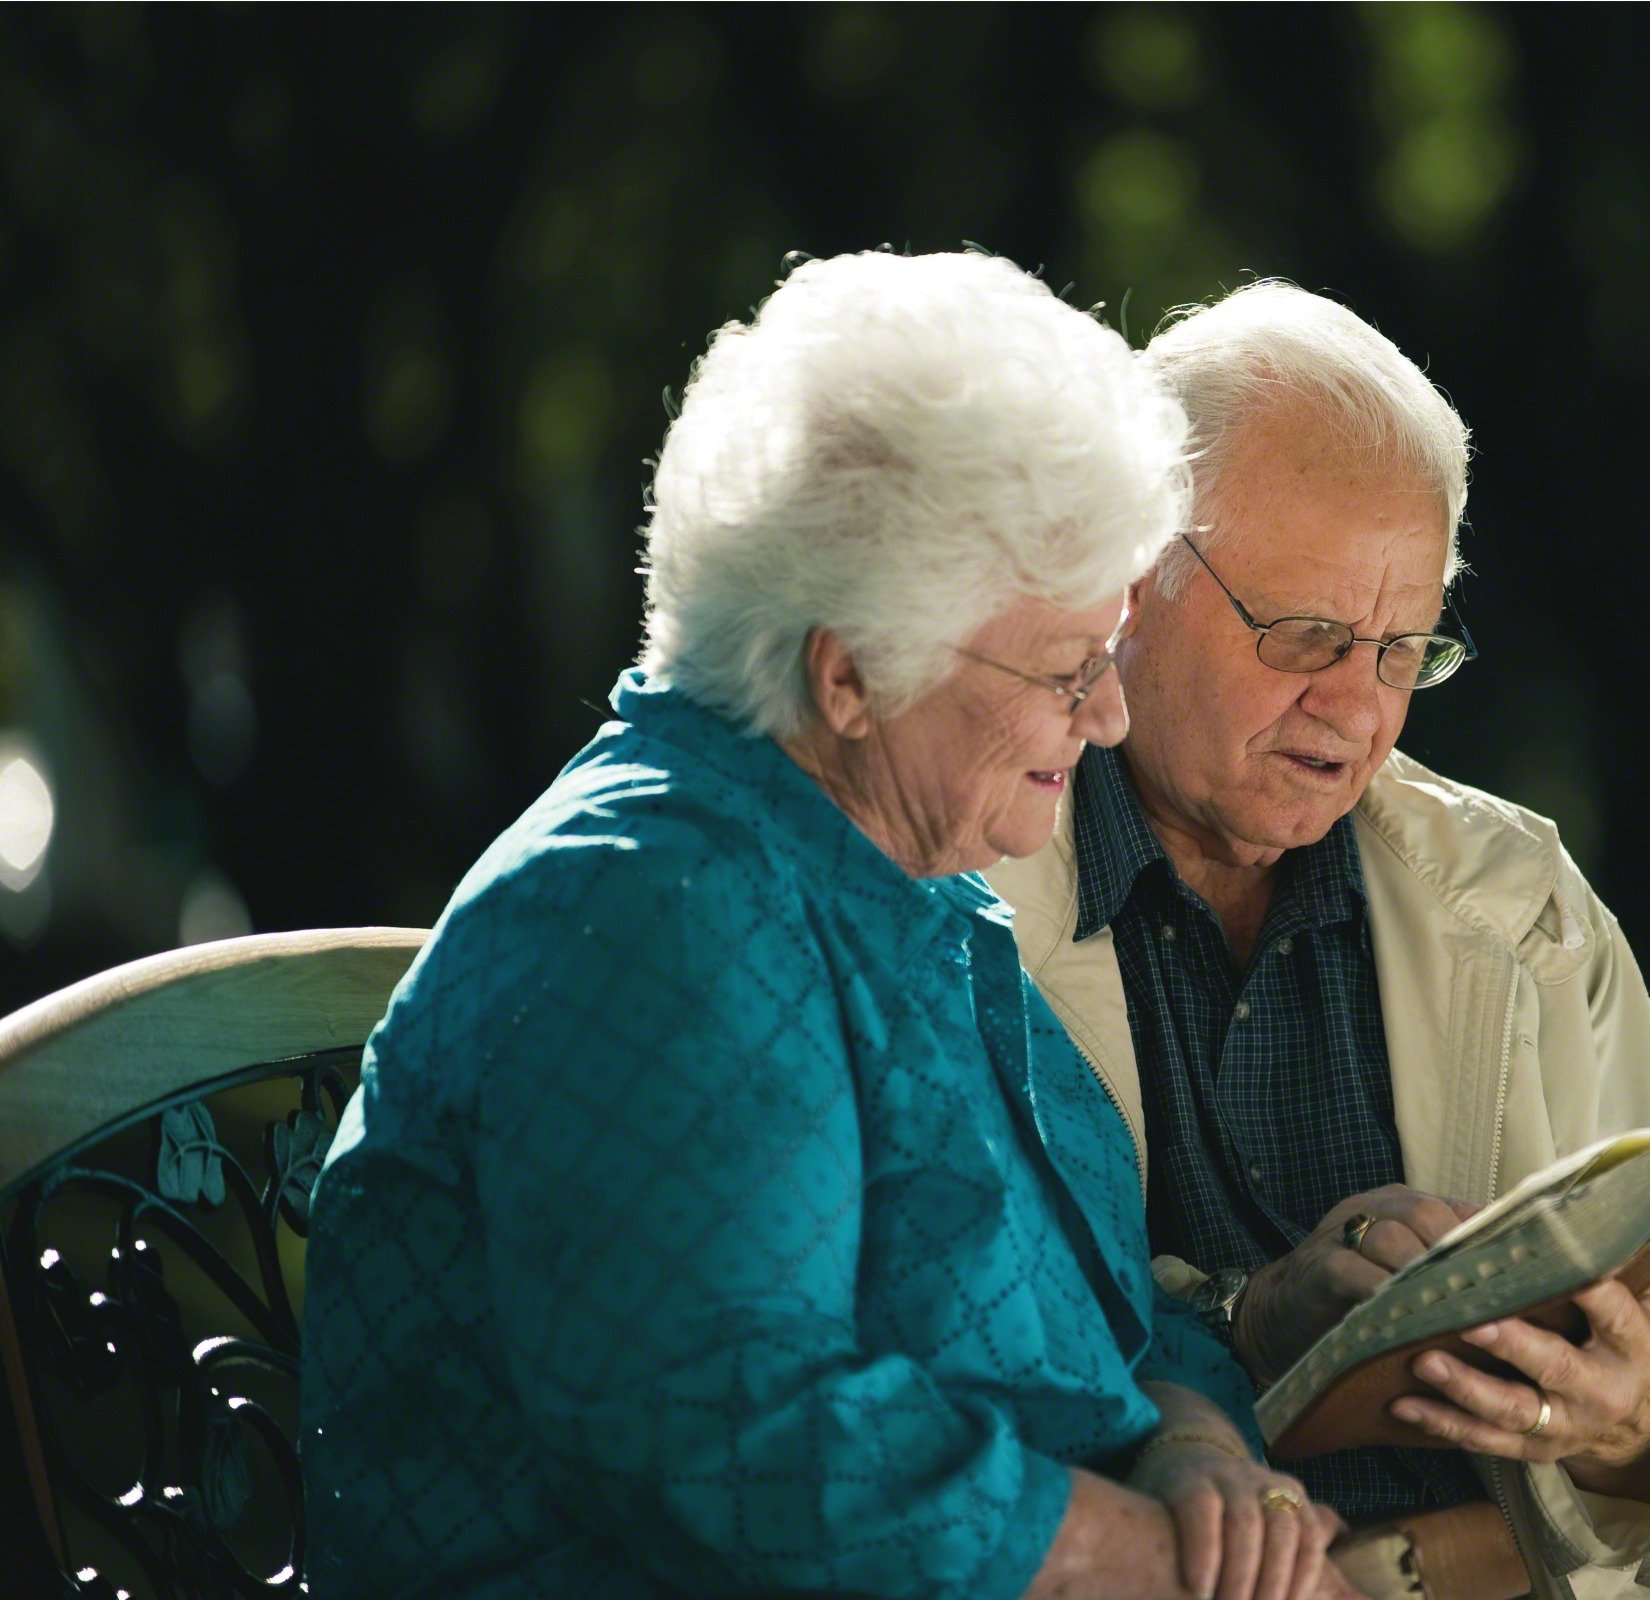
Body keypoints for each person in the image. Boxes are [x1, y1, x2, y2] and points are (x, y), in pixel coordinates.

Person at [301, 251, 1360, 1600]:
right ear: (848, 672)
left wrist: (1192, 1456)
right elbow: (740, 1438)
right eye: (1064, 669)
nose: (1107, 719)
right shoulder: (652, 911)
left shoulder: (891, 889)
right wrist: (1150, 1566)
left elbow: (1090, 1312)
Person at [984, 283, 1650, 1598]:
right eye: (1306, 636)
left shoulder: (1512, 897)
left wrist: (1639, 1426)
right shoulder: (956, 881)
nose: (1357, 709)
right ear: (1124, 577)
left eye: (1403, 649)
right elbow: (927, 1388)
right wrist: (1255, 1328)